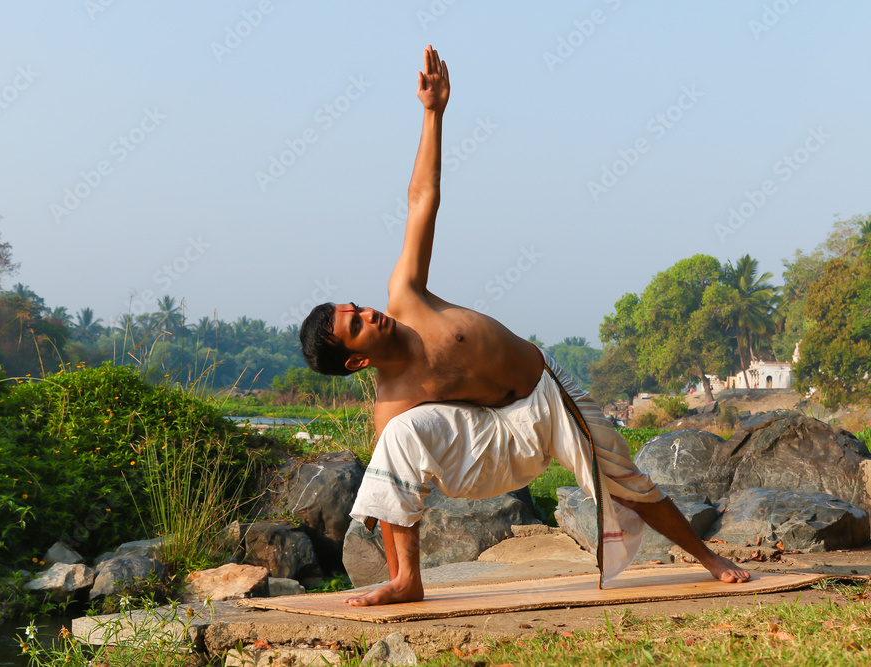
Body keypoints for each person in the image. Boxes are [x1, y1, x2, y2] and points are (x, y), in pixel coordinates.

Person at [299, 46, 749, 607]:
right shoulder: (392, 402)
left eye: (357, 308)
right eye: (357, 326)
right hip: (495, 441)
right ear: (357, 360)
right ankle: (408, 581)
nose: (369, 313)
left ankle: (708, 557)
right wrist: (392, 569)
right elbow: (391, 491)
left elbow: (422, 199)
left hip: (548, 395)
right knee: (395, 441)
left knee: (625, 484)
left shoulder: (406, 294)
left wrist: (433, 112)